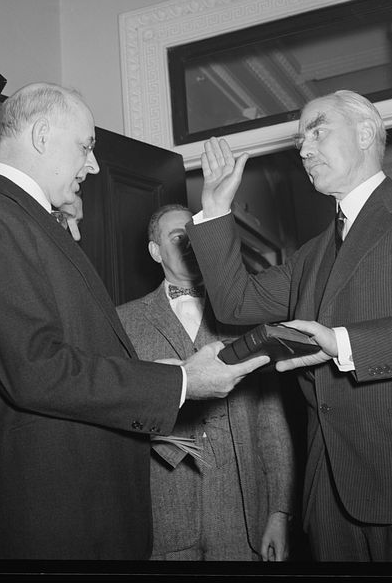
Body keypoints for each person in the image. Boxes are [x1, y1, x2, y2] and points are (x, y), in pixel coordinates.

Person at [0, 82, 268, 560]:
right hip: (50, 524)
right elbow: (35, 370)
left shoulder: (28, 220)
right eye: (86, 147)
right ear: (43, 135)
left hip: (82, 515)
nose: (92, 165)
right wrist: (181, 381)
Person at [186, 89, 392, 563]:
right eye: (300, 141)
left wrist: (343, 344)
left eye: (317, 130)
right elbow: (233, 302)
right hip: (329, 501)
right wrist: (215, 208)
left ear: (366, 132)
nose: (304, 149)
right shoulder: (310, 254)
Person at [117, 204, 294, 562]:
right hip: (165, 522)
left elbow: (271, 423)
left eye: (193, 236)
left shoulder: (243, 312)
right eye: (177, 237)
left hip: (245, 520)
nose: (188, 245)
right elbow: (116, 413)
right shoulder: (123, 321)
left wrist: (279, 512)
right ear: (155, 251)